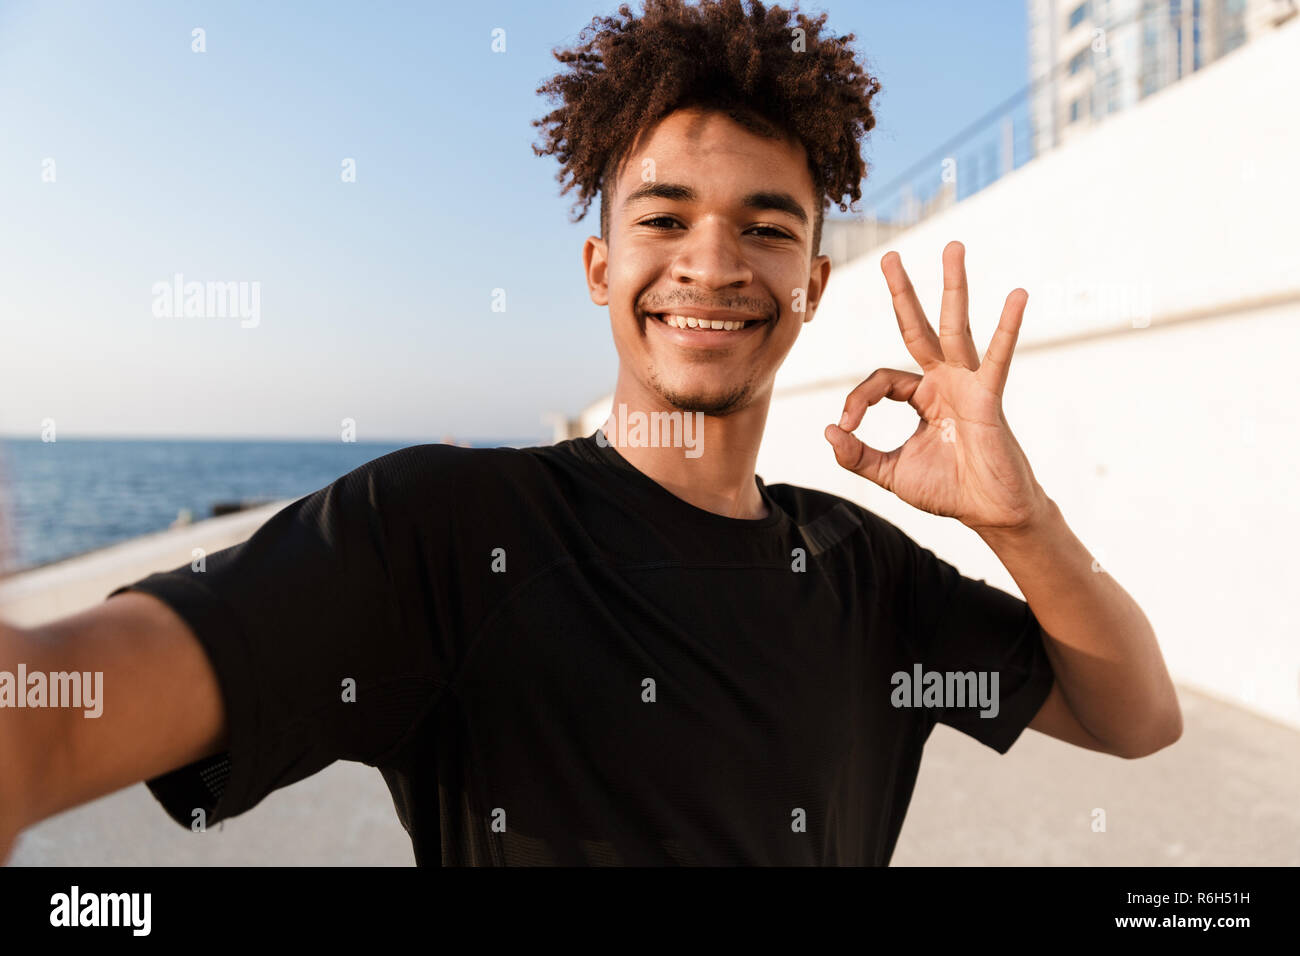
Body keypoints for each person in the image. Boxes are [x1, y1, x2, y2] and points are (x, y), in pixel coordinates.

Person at [0, 0, 1180, 866]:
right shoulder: (447, 531)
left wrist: (1020, 524)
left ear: (815, 278)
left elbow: (1135, 717)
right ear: (599, 264)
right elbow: (46, 719)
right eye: (665, 216)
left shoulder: (863, 574)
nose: (712, 262)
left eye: (765, 228)